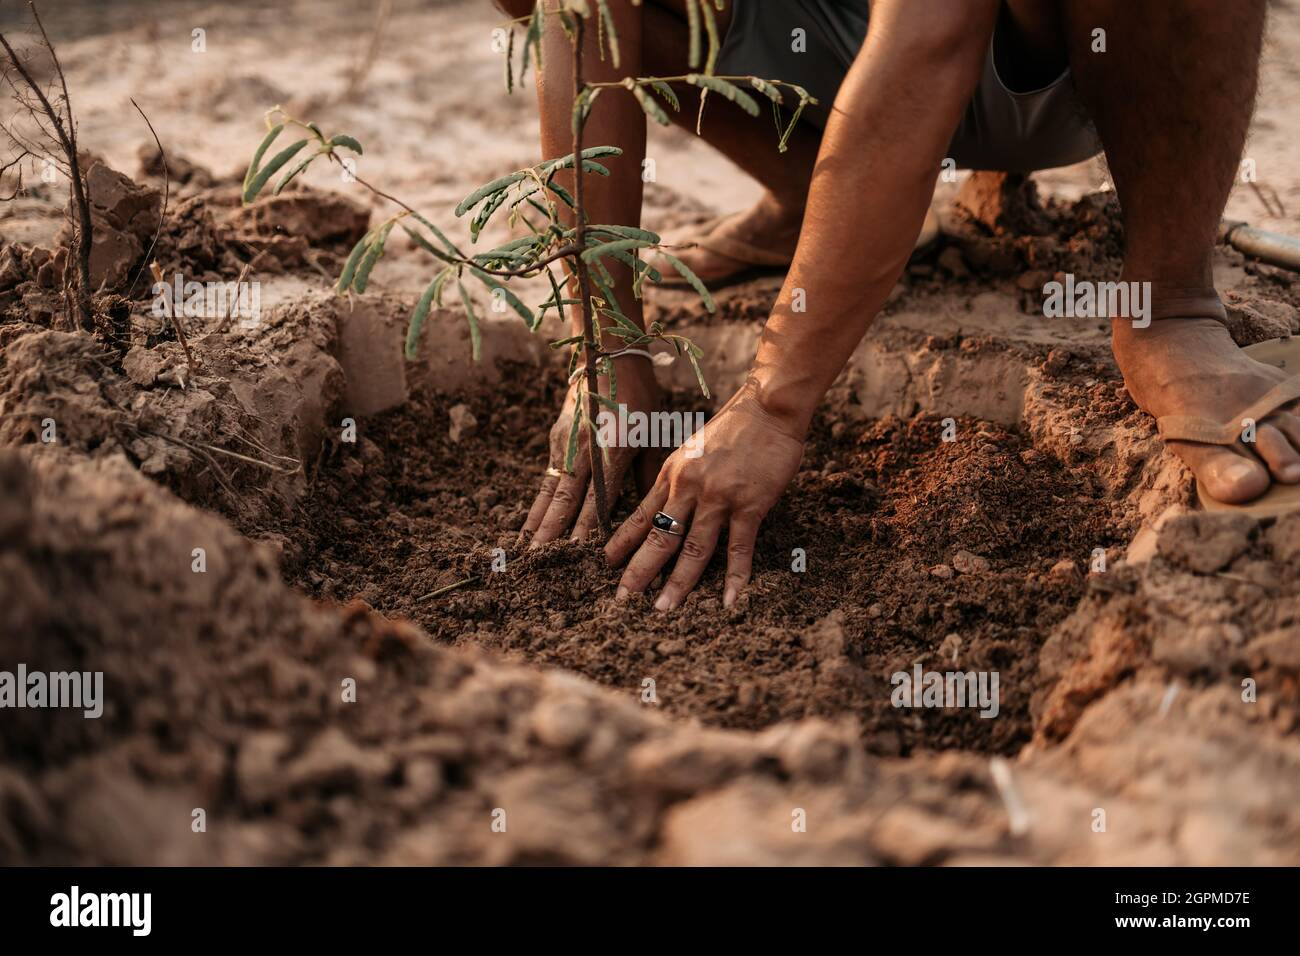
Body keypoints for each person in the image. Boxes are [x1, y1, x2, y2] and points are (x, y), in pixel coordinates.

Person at [500, 0, 1283, 609]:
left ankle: (1171, 303)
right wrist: (605, 351)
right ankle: (809, 197)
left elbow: (929, 42)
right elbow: (588, 14)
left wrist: (772, 404)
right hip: (834, 50)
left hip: (1059, 53)